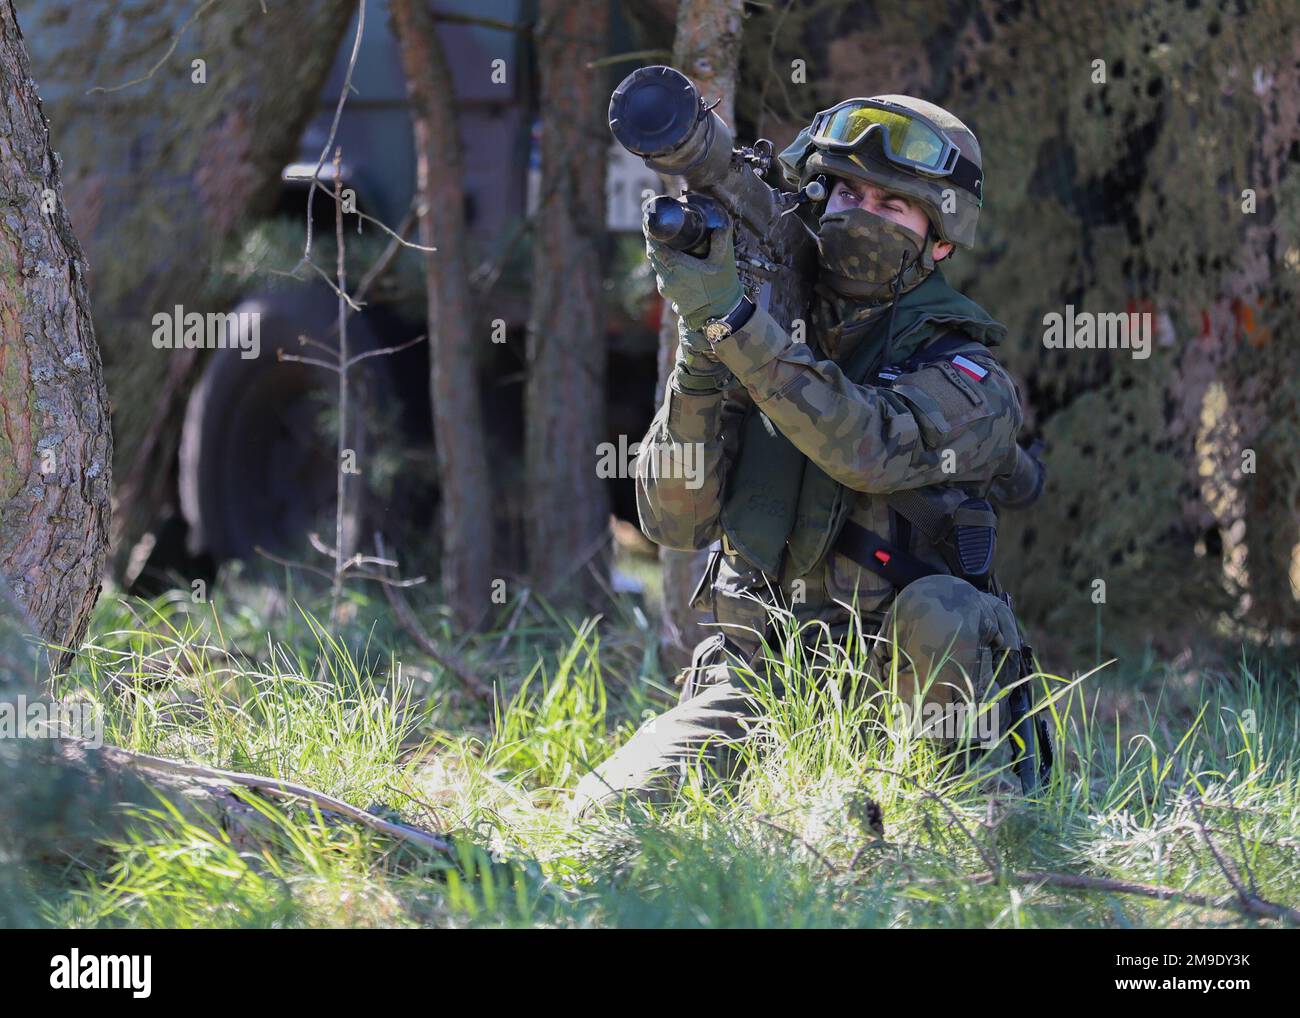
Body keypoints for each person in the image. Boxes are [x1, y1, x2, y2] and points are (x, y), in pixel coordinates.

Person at [572, 95, 1048, 815]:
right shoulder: (763, 333)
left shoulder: (970, 379)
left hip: (905, 686)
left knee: (942, 605)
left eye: (892, 204)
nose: (859, 214)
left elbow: (868, 448)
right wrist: (703, 354)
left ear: (942, 240)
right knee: (603, 817)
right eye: (846, 191)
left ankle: (975, 804)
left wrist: (736, 324)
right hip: (767, 682)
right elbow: (672, 523)